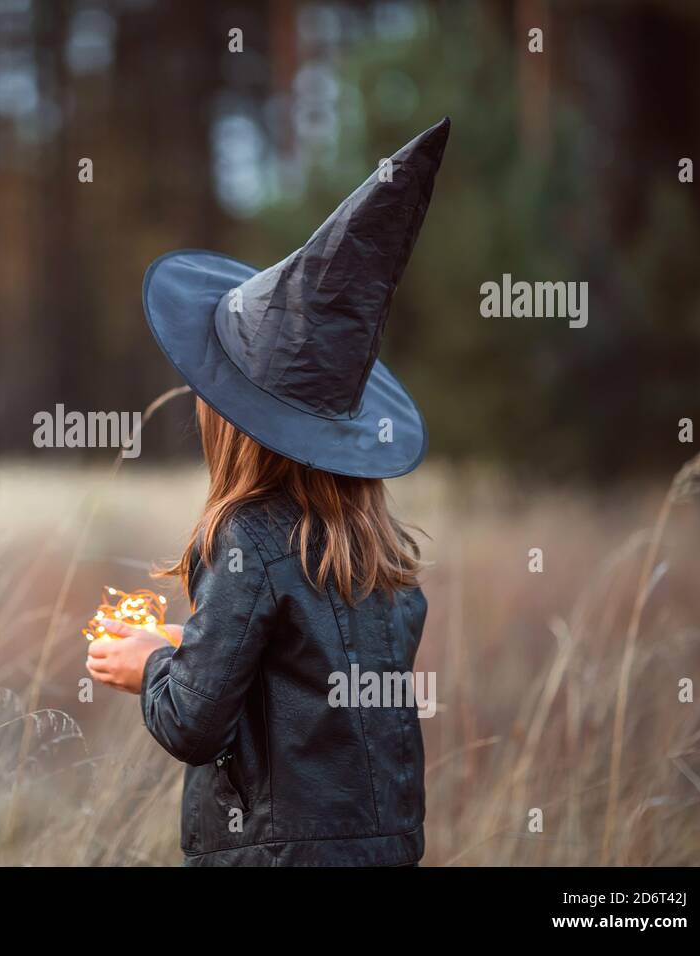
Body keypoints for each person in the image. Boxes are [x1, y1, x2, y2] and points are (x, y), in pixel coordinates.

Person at [85, 119, 450, 866]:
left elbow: (192, 724)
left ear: (236, 425)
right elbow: (303, 673)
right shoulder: (377, 552)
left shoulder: (246, 538)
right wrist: (191, 644)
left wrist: (150, 667)